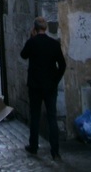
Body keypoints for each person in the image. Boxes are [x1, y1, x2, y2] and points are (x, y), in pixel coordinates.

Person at [20, 16, 66, 161]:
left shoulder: (32, 42)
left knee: (35, 116)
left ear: (35, 28)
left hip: (35, 85)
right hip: (50, 86)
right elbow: (62, 65)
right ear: (45, 28)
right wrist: (55, 80)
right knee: (52, 117)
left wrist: (31, 37)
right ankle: (55, 151)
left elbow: (23, 55)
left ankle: (33, 146)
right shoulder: (54, 44)